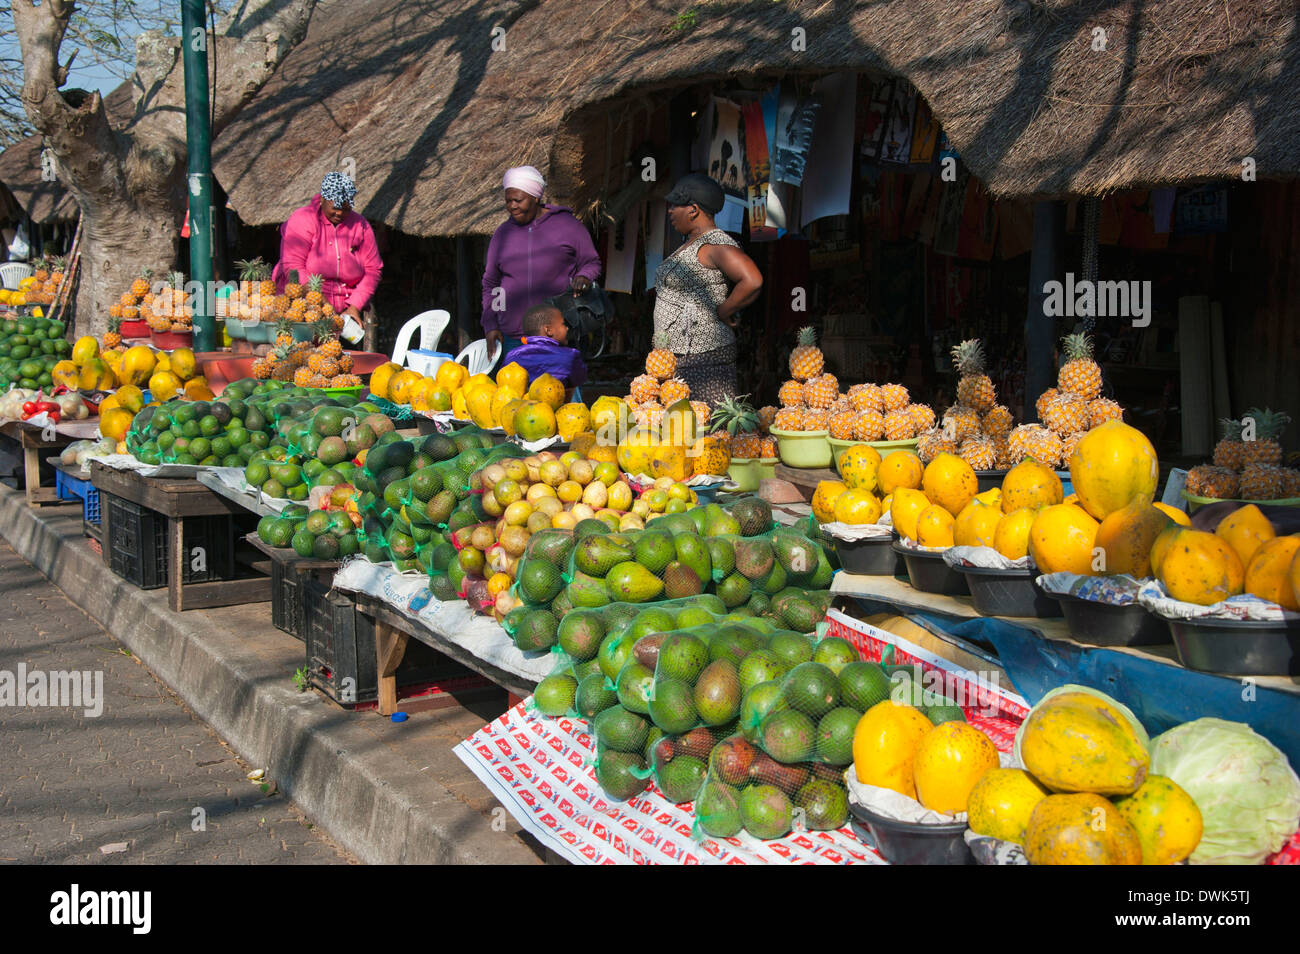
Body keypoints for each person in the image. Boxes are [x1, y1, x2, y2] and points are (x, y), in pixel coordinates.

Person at [653, 173, 763, 404]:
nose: (670, 211)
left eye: (675, 206)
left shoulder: (714, 244)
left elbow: (752, 280)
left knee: (706, 431)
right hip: (683, 358)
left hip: (704, 359)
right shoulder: (691, 243)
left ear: (693, 210)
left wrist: (724, 310)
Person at [481, 165, 602, 361]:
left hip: (556, 335)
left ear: (536, 197)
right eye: (508, 201)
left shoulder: (568, 226)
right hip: (513, 337)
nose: (512, 206)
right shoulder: (502, 234)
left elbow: (592, 262)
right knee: (514, 391)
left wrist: (584, 276)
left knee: (560, 390)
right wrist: (491, 325)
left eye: (518, 200)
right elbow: (492, 284)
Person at [272, 172, 383, 338]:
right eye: (336, 208)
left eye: (346, 209)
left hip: (344, 311)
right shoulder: (303, 219)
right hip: (302, 306)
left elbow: (373, 268)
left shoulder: (360, 225)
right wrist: (324, 306)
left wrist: (354, 306)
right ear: (322, 199)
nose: (340, 213)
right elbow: (293, 266)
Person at [508, 304, 587, 389]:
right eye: (563, 324)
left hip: (520, 401)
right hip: (556, 400)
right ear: (548, 330)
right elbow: (580, 379)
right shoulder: (570, 355)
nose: (567, 328)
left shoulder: (512, 356)